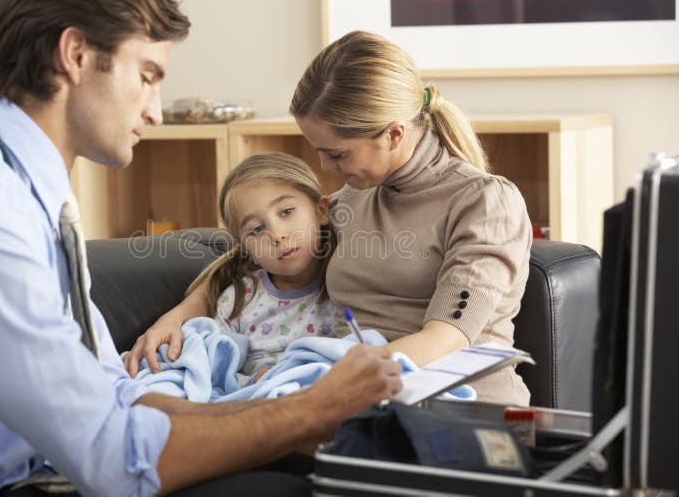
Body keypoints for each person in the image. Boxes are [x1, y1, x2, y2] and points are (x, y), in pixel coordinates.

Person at [0, 0, 402, 495]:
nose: (156, 112)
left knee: (320, 468)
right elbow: (114, 464)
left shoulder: (29, 196)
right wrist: (313, 411)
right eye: (148, 76)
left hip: (50, 468)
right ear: (76, 55)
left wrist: (294, 411)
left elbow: (118, 398)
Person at [132, 30, 531, 407]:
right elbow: (246, 257)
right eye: (319, 151)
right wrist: (177, 317)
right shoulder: (354, 198)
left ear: (393, 134)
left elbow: (446, 338)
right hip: (356, 398)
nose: (323, 166)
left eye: (337, 154)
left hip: (458, 404)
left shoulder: (485, 203)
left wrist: (318, 385)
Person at [124, 152, 337, 383]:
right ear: (244, 247)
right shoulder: (237, 301)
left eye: (286, 212)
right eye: (257, 229)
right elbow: (218, 371)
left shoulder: (347, 282)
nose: (277, 235)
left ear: (321, 210)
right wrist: (253, 381)